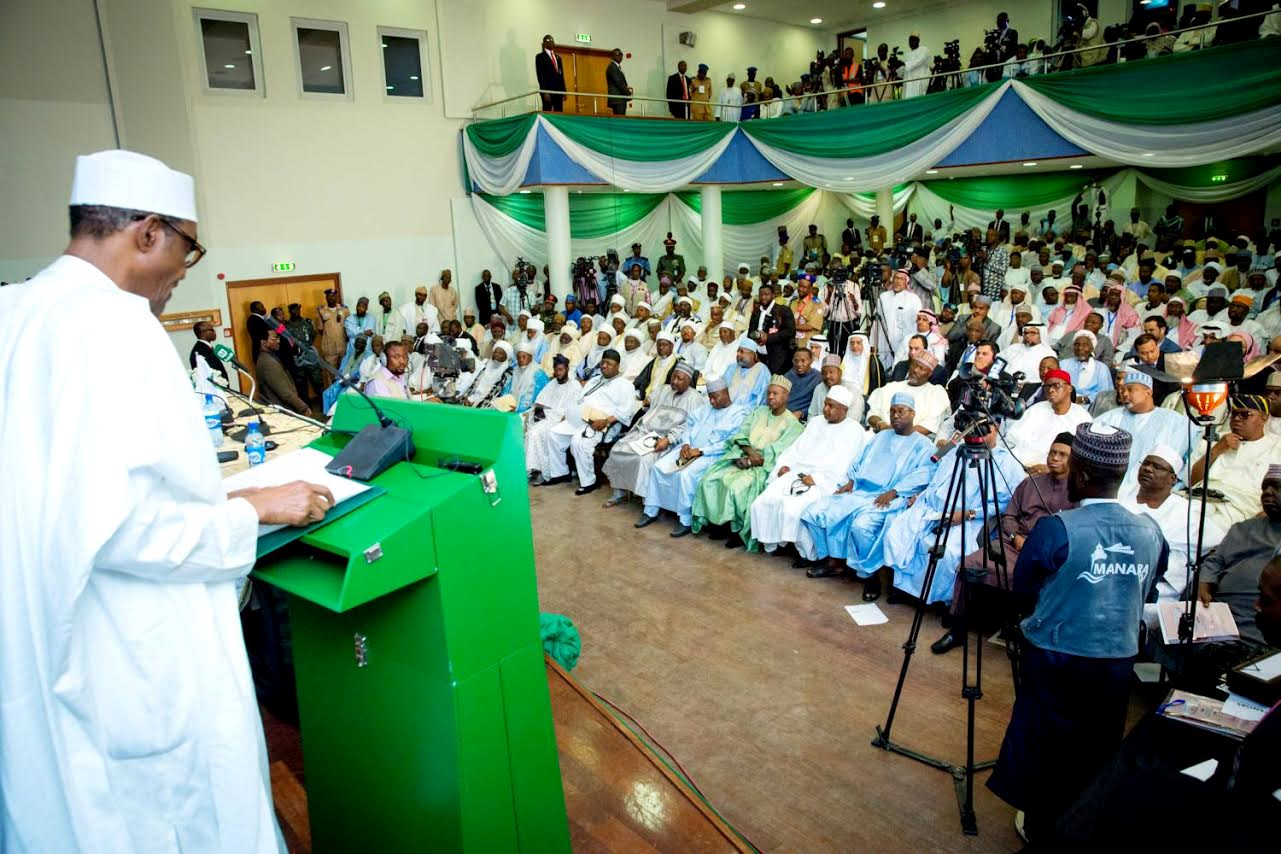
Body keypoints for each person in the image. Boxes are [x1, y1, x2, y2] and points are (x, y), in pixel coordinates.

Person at [0, 150, 343, 852]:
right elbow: (123, 528)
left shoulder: (15, 311)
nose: (187, 267)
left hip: (40, 643)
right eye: (189, 247)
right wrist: (255, 510)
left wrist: (226, 494)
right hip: (130, 655)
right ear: (148, 232)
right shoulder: (115, 325)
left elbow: (66, 496)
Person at [988, 423, 1167, 844]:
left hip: (1056, 656)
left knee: (1043, 743)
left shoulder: (1058, 528)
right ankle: (1080, 822)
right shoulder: (1150, 531)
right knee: (1098, 743)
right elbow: (1150, 586)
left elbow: (1025, 586)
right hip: (1117, 661)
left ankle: (1039, 825)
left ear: (1081, 474)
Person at [933, 434, 1077, 655]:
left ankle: (1026, 636)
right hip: (1013, 545)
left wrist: (1038, 545)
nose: (1055, 458)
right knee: (969, 564)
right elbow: (1009, 516)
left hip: (1045, 553)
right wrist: (1015, 538)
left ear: (1073, 459)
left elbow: (1072, 530)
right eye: (1052, 452)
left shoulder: (1076, 493)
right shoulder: (1030, 483)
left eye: (1062, 454)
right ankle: (957, 629)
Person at [798, 393, 935, 601]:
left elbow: (925, 474)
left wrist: (895, 491)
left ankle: (869, 575)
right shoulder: (880, 437)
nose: (896, 416)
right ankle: (834, 562)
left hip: (889, 499)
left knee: (861, 526)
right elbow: (858, 461)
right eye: (892, 411)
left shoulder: (924, 445)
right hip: (860, 491)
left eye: (901, 411)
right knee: (813, 512)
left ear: (913, 414)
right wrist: (851, 481)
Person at [884, 425, 1026, 605]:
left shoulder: (1007, 463)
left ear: (995, 429)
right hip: (931, 509)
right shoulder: (957, 451)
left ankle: (945, 602)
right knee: (897, 536)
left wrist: (967, 514)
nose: (976, 434)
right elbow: (937, 480)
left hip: (969, 519)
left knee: (949, 554)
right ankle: (906, 589)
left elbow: (1005, 504)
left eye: (983, 429)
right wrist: (921, 496)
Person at [750, 385, 870, 558]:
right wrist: (784, 465)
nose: (826, 409)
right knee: (765, 501)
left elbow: (845, 466)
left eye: (832, 406)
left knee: (793, 507)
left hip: (823, 481)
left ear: (844, 409)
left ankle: (805, 554)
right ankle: (776, 543)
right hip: (798, 471)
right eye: (825, 404)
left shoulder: (854, 430)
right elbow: (796, 449)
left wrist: (818, 479)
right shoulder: (816, 422)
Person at [692, 375, 805, 550]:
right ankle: (719, 524)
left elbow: (780, 451)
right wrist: (748, 453)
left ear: (786, 396)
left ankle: (736, 531)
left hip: (764, 466)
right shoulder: (758, 412)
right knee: (710, 479)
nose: (771, 397)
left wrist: (753, 461)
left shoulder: (793, 425)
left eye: (775, 394)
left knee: (735, 488)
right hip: (742, 455)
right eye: (769, 393)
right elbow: (741, 433)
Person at [637, 378, 748, 536]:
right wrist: (686, 444)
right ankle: (651, 510)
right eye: (710, 397)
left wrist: (701, 451)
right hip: (687, 450)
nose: (711, 401)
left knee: (686, 475)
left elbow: (728, 443)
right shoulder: (705, 409)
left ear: (725, 393)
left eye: (715, 397)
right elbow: (689, 426)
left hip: (711, 456)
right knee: (658, 467)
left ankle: (685, 520)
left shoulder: (738, 413)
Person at [1122, 446, 1226, 611]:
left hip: (1160, 599)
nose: (1148, 469)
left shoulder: (1188, 512)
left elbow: (1221, 546)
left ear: (1172, 478)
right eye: (1146, 464)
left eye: (1157, 467)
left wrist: (1204, 578)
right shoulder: (1121, 500)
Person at [603, 361, 706, 506]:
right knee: (619, 449)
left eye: (680, 379)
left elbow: (688, 426)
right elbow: (648, 401)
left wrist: (668, 439)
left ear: (689, 381)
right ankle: (619, 492)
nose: (675, 381)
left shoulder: (695, 399)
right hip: (645, 433)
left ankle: (648, 500)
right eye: (673, 377)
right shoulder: (663, 389)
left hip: (668, 440)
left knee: (644, 460)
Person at [1198, 465, 1281, 645]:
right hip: (1217, 610)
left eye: (1276, 487)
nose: (1267, 492)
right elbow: (1216, 560)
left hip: (1261, 616)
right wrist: (1203, 581)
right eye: (1264, 488)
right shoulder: (1244, 528)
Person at [537, 349, 637, 494]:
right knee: (553, 434)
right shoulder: (594, 380)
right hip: (579, 420)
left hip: (602, 424)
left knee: (579, 441)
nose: (604, 366)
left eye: (609, 363)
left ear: (618, 366)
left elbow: (625, 412)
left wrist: (606, 421)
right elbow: (580, 400)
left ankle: (589, 482)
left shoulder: (625, 385)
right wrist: (570, 414)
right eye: (603, 362)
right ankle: (560, 473)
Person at [1189, 394, 1281, 529]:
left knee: (1190, 532)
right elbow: (1192, 480)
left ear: (1263, 419)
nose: (1237, 419)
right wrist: (1216, 450)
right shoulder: (1213, 439)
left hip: (1237, 510)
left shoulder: (1277, 447)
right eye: (1234, 414)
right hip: (1197, 499)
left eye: (1245, 414)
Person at [1094, 371, 1190, 492]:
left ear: (1148, 392)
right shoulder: (1109, 418)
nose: (1124, 394)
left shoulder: (1175, 421)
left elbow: (1187, 456)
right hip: (1111, 488)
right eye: (1122, 390)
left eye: (1130, 389)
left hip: (1153, 491)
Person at [1005, 369, 1092, 470]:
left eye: (1056, 385)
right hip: (1018, 466)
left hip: (1055, 473)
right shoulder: (1036, 409)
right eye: (1047, 386)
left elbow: (1083, 458)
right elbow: (1012, 438)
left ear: (1069, 388)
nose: (1051, 390)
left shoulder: (1082, 417)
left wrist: (1051, 469)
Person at [524, 355, 585, 481]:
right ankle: (534, 468)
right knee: (528, 430)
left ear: (567, 369)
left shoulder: (575, 386)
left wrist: (548, 413)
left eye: (561, 370)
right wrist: (538, 409)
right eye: (556, 370)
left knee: (536, 433)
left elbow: (571, 410)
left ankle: (544, 470)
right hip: (547, 418)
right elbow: (540, 400)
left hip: (563, 421)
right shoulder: (552, 383)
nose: (558, 373)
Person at [867, 351, 949, 437]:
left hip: (912, 442)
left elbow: (928, 427)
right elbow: (872, 415)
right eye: (914, 365)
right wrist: (882, 425)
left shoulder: (935, 394)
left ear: (929, 373)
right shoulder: (891, 387)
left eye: (921, 368)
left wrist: (897, 433)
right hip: (881, 435)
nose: (915, 370)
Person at [255, 329, 313, 415]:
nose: (278, 341)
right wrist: (303, 407)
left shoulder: (268, 357)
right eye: (274, 339)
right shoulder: (269, 363)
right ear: (263, 342)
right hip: (281, 411)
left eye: (278, 338)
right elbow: (285, 392)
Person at [747, 283, 796, 375]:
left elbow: (790, 331)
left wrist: (768, 338)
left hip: (778, 357)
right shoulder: (756, 312)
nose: (763, 297)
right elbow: (750, 332)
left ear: (773, 295)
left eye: (766, 294)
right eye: (761, 295)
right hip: (758, 356)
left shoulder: (783, 310)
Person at [1060, 331, 1113, 405]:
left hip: (1091, 407)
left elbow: (1105, 395)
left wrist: (1086, 399)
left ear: (1092, 348)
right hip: (1064, 403)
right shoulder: (1064, 364)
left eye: (1085, 345)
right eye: (1077, 344)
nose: (1080, 348)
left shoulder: (1101, 368)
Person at [782, 348, 822, 419]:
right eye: (796, 361)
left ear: (811, 361)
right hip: (784, 414)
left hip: (803, 417)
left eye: (803, 361)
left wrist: (802, 412)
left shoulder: (817, 378)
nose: (799, 364)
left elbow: (818, 403)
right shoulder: (788, 376)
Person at [316, 288, 348, 370]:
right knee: (331, 373)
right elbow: (320, 329)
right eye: (329, 296)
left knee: (344, 371)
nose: (331, 298)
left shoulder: (344, 309)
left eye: (333, 296)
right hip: (329, 349)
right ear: (326, 297)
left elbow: (348, 326)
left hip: (343, 347)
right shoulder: (321, 310)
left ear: (336, 297)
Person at [535, 35, 566, 112]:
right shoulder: (540, 57)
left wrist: (564, 90)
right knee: (547, 111)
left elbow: (561, 75)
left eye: (552, 40)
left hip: (558, 91)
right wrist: (545, 91)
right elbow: (540, 75)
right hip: (548, 91)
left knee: (559, 112)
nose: (551, 42)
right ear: (544, 43)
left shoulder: (558, 58)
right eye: (548, 41)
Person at [901, 32, 931, 98]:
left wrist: (903, 64)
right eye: (910, 41)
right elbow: (903, 70)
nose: (911, 42)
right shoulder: (907, 55)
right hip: (908, 85)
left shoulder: (924, 50)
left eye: (913, 40)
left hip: (919, 83)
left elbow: (919, 61)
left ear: (918, 41)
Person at [605, 48, 631, 115]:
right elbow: (619, 83)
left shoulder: (617, 67)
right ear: (612, 56)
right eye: (618, 54)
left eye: (621, 54)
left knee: (620, 119)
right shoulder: (612, 67)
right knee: (620, 120)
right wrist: (628, 93)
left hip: (619, 99)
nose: (620, 56)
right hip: (618, 99)